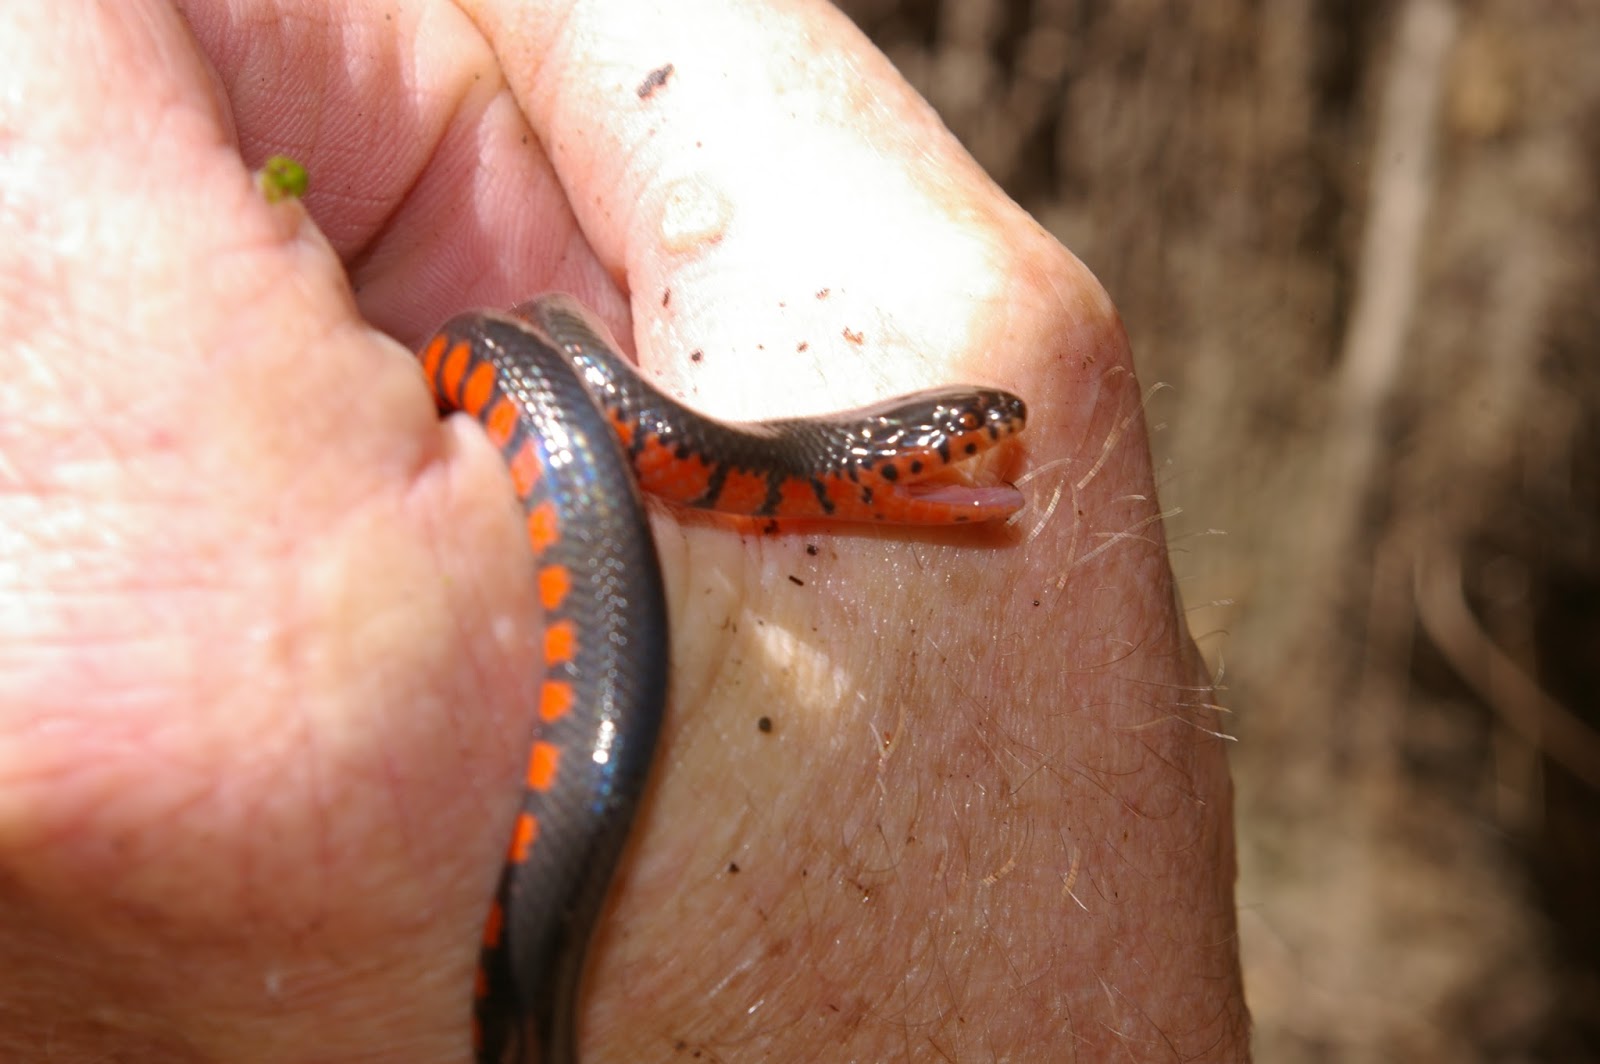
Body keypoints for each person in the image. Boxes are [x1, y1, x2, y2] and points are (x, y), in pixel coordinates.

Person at [0, 1, 1248, 1059]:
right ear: (892, 448)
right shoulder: (661, 424)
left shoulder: (732, 452)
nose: (986, 445)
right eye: (966, 428)